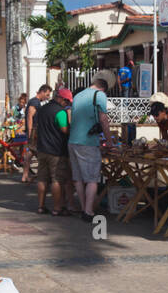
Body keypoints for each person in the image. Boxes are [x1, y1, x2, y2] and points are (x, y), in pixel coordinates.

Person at [68, 77, 114, 222]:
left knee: (78, 178)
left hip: (73, 141)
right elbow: (103, 119)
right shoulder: (99, 95)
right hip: (87, 142)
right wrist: (109, 141)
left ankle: (83, 208)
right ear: (103, 89)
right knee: (92, 179)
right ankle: (88, 211)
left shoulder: (78, 95)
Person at [35, 86, 72, 215]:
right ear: (61, 99)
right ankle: (57, 208)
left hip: (42, 149)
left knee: (42, 178)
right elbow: (65, 130)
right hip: (56, 151)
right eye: (66, 101)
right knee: (57, 180)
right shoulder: (60, 112)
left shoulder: (42, 109)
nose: (67, 104)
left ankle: (40, 206)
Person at [21, 83, 50, 184]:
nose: (47, 97)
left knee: (30, 154)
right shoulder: (35, 102)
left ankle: (25, 176)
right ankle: (42, 176)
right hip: (34, 132)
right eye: (47, 95)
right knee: (38, 153)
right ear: (42, 92)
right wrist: (30, 132)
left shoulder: (35, 101)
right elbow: (30, 116)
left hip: (34, 131)